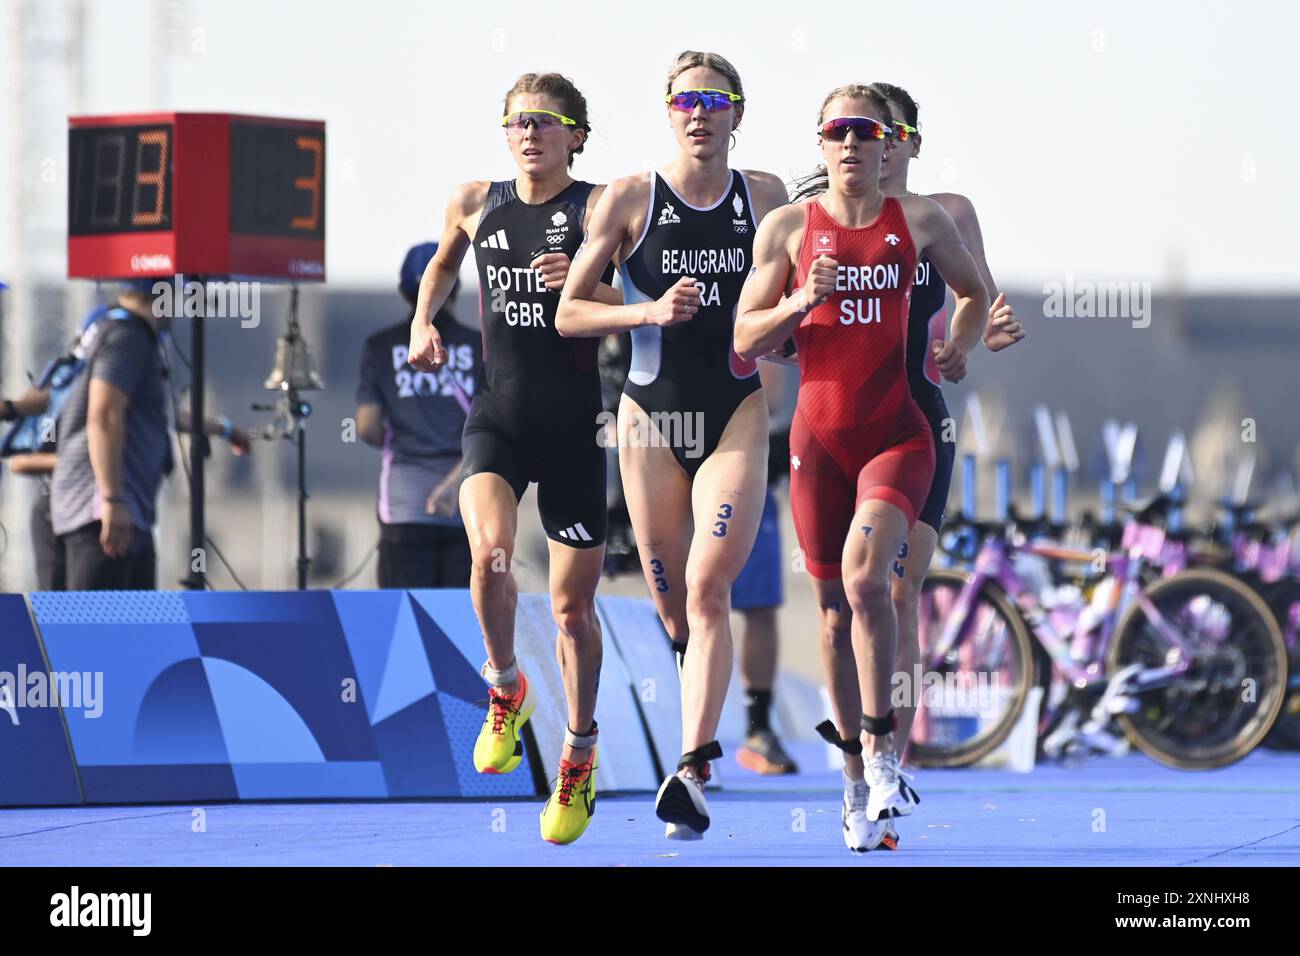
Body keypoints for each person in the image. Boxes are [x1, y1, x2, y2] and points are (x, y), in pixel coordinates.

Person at [735, 84, 989, 851]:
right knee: (834, 614)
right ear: (820, 144)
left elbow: (976, 292)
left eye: (866, 132)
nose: (851, 144)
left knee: (870, 579)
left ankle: (884, 755)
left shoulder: (919, 221)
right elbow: (745, 337)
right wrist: (795, 305)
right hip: (818, 444)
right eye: (837, 132)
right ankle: (851, 780)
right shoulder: (787, 229)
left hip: (898, 435)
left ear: (892, 145)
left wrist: (960, 344)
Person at [557, 50, 789, 839]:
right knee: (675, 612)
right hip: (650, 420)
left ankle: (689, 767)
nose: (701, 114)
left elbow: (790, 306)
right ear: (669, 111)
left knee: (709, 587)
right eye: (687, 101)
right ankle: (699, 726)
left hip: (734, 413)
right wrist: (646, 313)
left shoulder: (764, 197)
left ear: (736, 114)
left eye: (715, 101)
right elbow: (568, 312)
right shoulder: (628, 197)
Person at [406, 72, 619, 845]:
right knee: (489, 554)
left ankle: (579, 752)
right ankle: (504, 687)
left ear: (576, 135)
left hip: (572, 430)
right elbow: (440, 264)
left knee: (570, 610)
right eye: (517, 121)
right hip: (497, 417)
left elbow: (637, 294)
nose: (529, 133)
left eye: (546, 121)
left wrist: (591, 281)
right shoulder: (474, 198)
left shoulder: (599, 206)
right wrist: (421, 322)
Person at [867, 82, 1025, 764]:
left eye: (892, 133)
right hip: (840, 426)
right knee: (845, 599)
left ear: (914, 144)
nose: (878, 146)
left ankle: (891, 765)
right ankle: (854, 756)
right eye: (863, 133)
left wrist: (984, 333)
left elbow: (980, 295)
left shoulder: (947, 212)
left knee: (901, 592)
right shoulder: (814, 213)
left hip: (919, 420)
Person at [3, 297, 250, 590]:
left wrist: (224, 428)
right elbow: (21, 461)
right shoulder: (72, 393)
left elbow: (165, 415)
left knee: (125, 616)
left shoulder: (114, 385)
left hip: (115, 504)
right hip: (72, 507)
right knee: (73, 614)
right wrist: (88, 465)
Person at [356, 242, 482, 589]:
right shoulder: (481, 345)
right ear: (454, 287)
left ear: (403, 291)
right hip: (467, 500)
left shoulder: (379, 347)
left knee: (406, 614)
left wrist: (404, 441)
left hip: (404, 505)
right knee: (462, 616)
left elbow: (366, 427)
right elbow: (495, 427)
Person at [732, 359, 799, 774]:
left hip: (751, 456)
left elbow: (770, 391)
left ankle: (758, 729)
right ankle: (687, 735)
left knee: (759, 608)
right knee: (691, 605)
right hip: (676, 445)